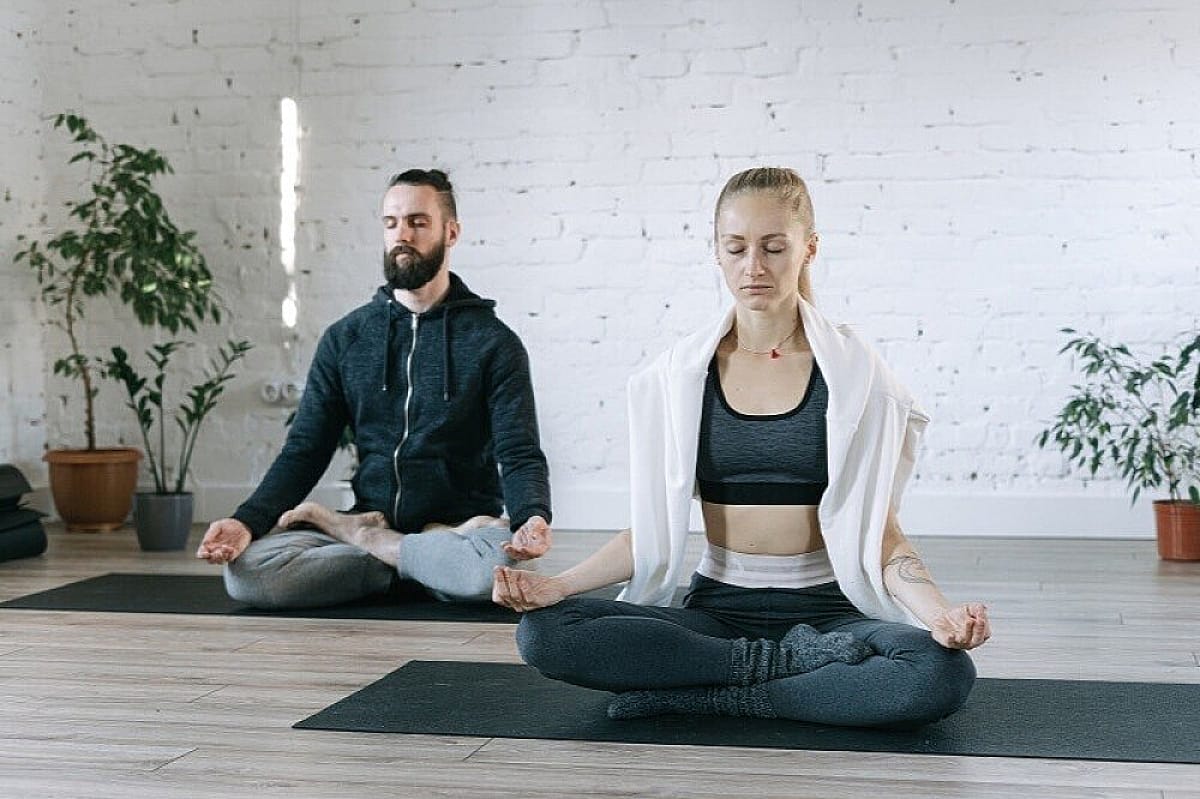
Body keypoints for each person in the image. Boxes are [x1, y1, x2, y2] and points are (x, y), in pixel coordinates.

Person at [493, 167, 990, 728]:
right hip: (718, 613)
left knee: (939, 671)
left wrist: (941, 614)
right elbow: (649, 529)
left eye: (774, 247)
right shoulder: (678, 377)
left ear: (809, 248)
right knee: (545, 633)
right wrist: (555, 585)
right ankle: (785, 671)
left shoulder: (856, 378)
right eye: (736, 248)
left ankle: (710, 695)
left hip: (831, 615)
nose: (754, 267)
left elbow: (882, 535)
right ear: (718, 254)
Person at [197, 169, 553, 608]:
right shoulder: (347, 339)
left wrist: (530, 517)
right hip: (386, 522)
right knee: (249, 575)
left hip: (461, 525)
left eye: (418, 222)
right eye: (391, 223)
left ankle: (376, 545)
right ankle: (410, 561)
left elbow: (519, 452)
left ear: (451, 232)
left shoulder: (493, 343)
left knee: (499, 568)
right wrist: (245, 523)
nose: (402, 234)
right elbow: (305, 450)